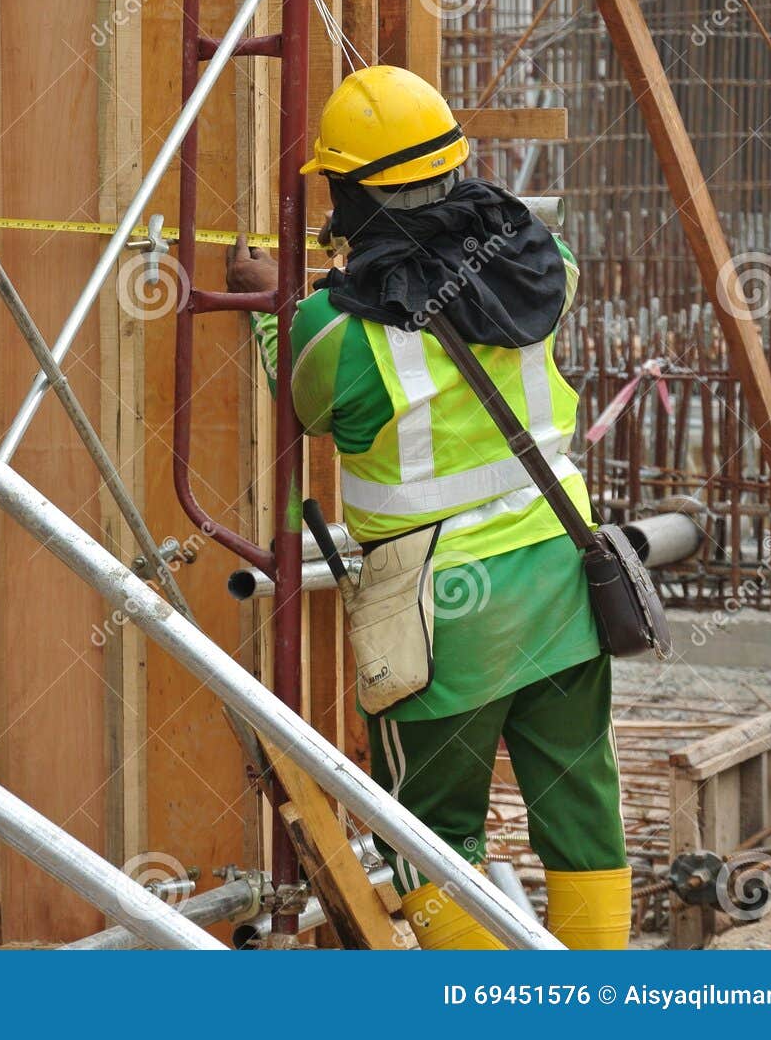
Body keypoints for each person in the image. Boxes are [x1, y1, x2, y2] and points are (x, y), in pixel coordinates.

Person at [228, 65, 628, 950]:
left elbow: (304, 399)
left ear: (347, 192)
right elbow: (467, 270)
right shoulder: (541, 265)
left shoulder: (333, 332)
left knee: (430, 838)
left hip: (443, 611)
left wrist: (273, 308)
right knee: (582, 810)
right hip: (566, 577)